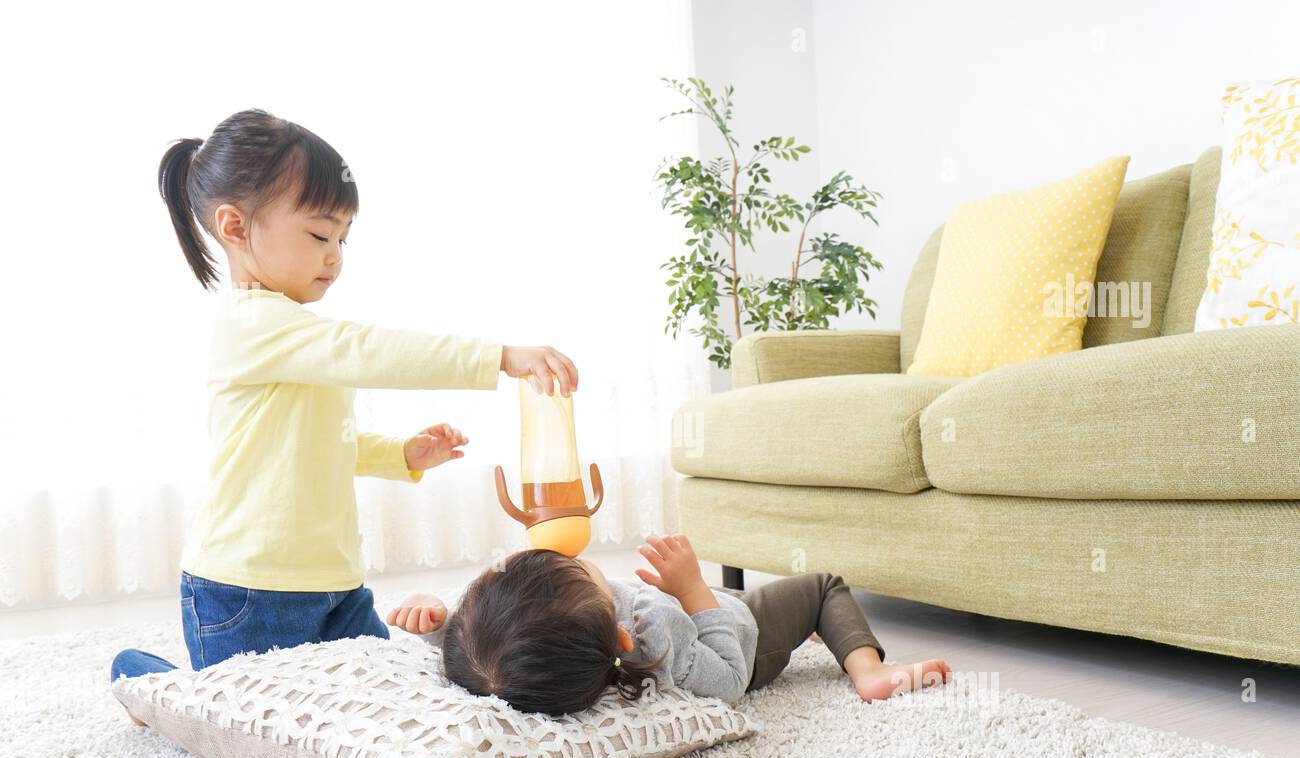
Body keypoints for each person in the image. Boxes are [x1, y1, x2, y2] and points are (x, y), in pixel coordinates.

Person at [109, 108, 577, 705]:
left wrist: (401, 454)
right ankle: (147, 682)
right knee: (253, 724)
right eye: (318, 235)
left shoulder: (294, 335)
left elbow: (321, 442)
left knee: (383, 700)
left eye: (342, 238)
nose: (335, 257)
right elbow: (371, 350)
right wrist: (500, 357)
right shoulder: (252, 325)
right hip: (248, 590)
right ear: (234, 226)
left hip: (336, 584)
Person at [389, 533, 952, 717]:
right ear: (621, 638)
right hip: (741, 632)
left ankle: (808, 630)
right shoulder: (659, 632)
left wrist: (436, 621)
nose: (580, 560)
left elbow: (488, 647)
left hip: (696, 609)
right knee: (822, 588)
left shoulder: (508, 650)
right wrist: (690, 590)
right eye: (581, 571)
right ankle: (868, 672)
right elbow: (730, 676)